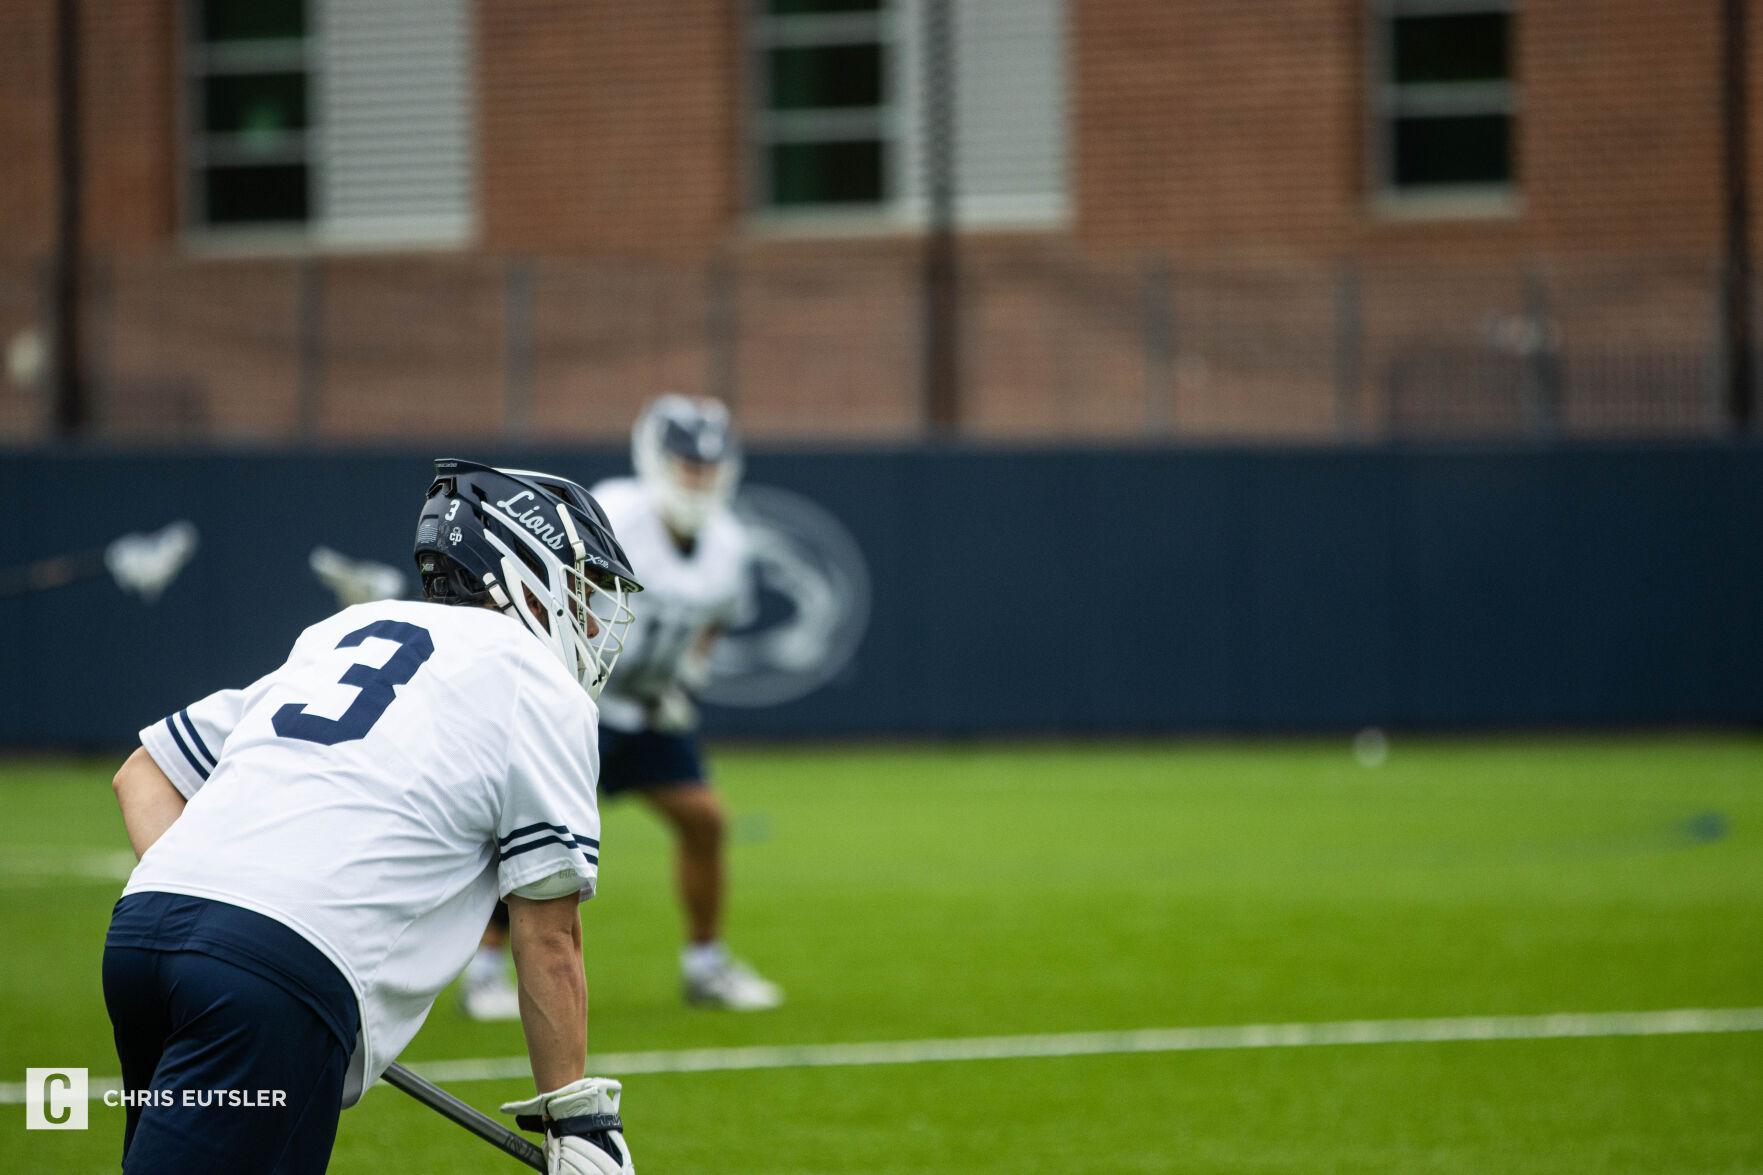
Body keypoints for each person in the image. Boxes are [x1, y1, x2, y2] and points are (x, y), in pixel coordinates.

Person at [103, 459, 643, 1175]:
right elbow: (548, 935)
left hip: (143, 935)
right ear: (524, 570)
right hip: (274, 973)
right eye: (580, 590)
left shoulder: (348, 627)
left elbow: (143, 774)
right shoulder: (534, 680)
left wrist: (214, 923)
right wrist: (580, 1119)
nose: (590, 617)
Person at [460, 396, 782, 1015]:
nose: (698, 477)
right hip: (575, 700)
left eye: (708, 466)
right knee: (529, 840)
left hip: (644, 707)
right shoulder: (615, 512)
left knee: (705, 821)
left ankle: (706, 965)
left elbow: (713, 621)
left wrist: (681, 678)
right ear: (656, 459)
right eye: (687, 463)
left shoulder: (728, 543)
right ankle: (483, 973)